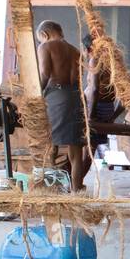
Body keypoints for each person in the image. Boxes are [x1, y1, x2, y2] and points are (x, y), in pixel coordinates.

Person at [36, 20, 89, 193]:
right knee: (75, 151)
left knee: (51, 145)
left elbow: (45, 73)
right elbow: (78, 80)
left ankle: (52, 190)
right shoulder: (75, 51)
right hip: (76, 97)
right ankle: (76, 191)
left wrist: (37, 96)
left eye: (40, 39)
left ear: (44, 34)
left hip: (57, 97)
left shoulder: (46, 47)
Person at [82, 33, 121, 154]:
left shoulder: (95, 60)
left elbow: (94, 89)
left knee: (87, 149)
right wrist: (113, 116)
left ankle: (75, 173)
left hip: (95, 109)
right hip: (106, 109)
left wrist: (90, 115)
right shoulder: (114, 62)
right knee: (90, 150)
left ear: (88, 49)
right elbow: (127, 96)